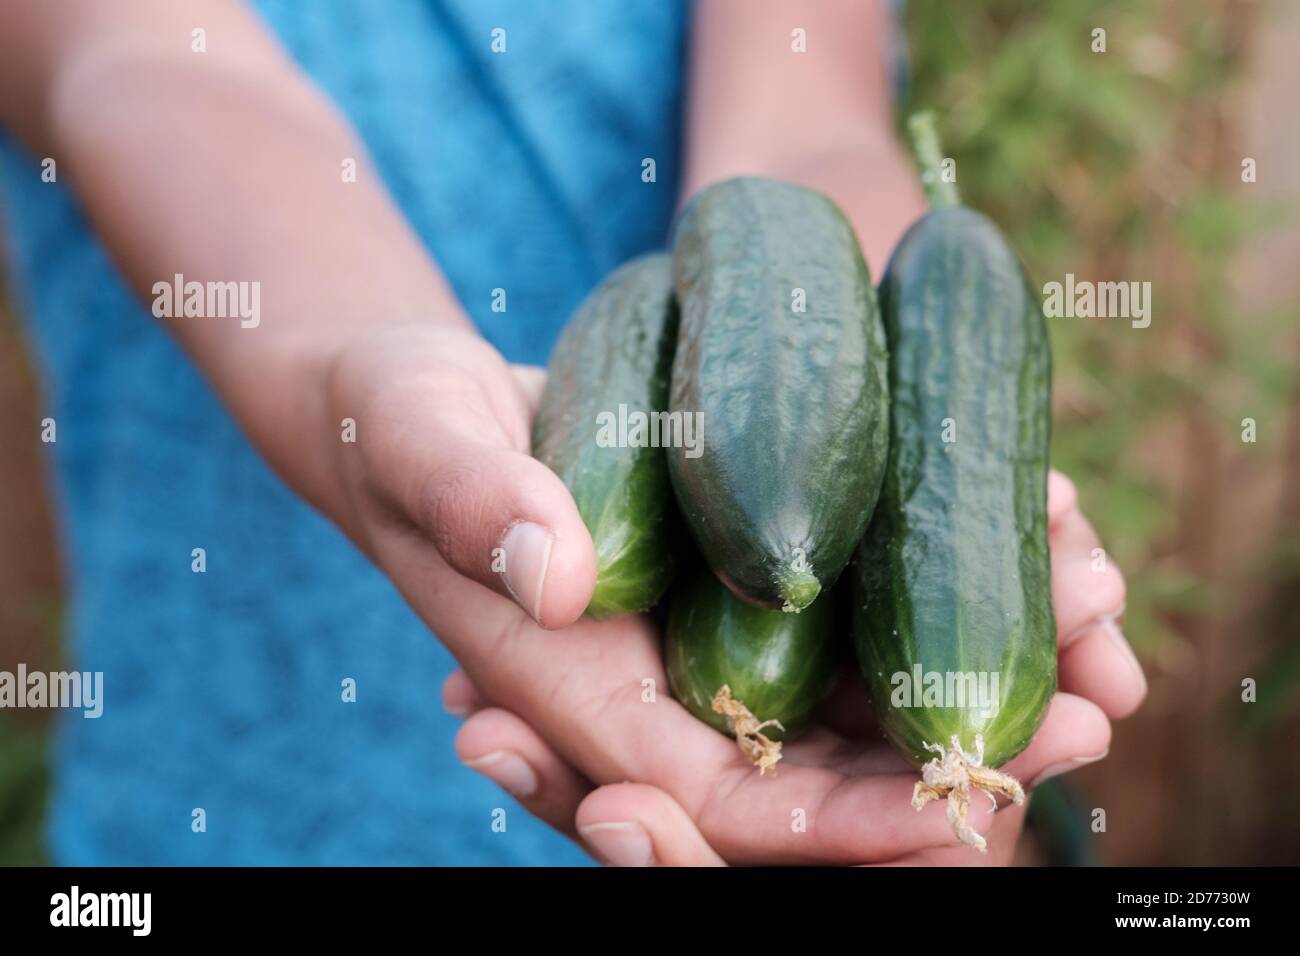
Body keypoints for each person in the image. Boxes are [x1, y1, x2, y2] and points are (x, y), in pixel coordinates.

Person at [0, 0, 1144, 866]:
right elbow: (150, 66)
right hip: (230, 774)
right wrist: (354, 363)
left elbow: (800, 140)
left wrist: (884, 443)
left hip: (722, 645)